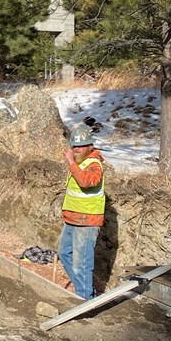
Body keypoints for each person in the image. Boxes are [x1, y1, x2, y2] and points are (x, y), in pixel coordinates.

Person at [57, 123, 105, 300]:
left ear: (90, 146)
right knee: (64, 253)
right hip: (73, 219)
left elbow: (87, 182)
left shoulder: (94, 164)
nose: (75, 150)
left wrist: (70, 162)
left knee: (82, 263)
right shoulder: (81, 163)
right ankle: (83, 290)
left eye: (80, 146)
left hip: (87, 221)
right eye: (74, 146)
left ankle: (85, 299)